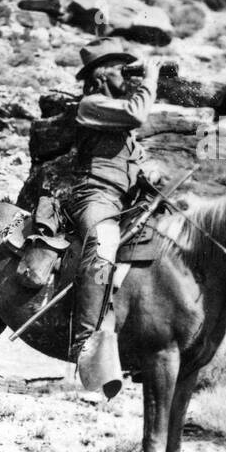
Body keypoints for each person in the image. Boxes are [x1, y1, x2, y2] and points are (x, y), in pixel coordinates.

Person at [68, 38, 165, 362]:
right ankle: (85, 343)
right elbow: (137, 113)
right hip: (95, 194)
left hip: (124, 197)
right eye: (118, 67)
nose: (126, 73)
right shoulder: (91, 104)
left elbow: (133, 155)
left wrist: (147, 172)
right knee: (103, 242)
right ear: (99, 74)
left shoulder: (115, 122)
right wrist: (150, 79)